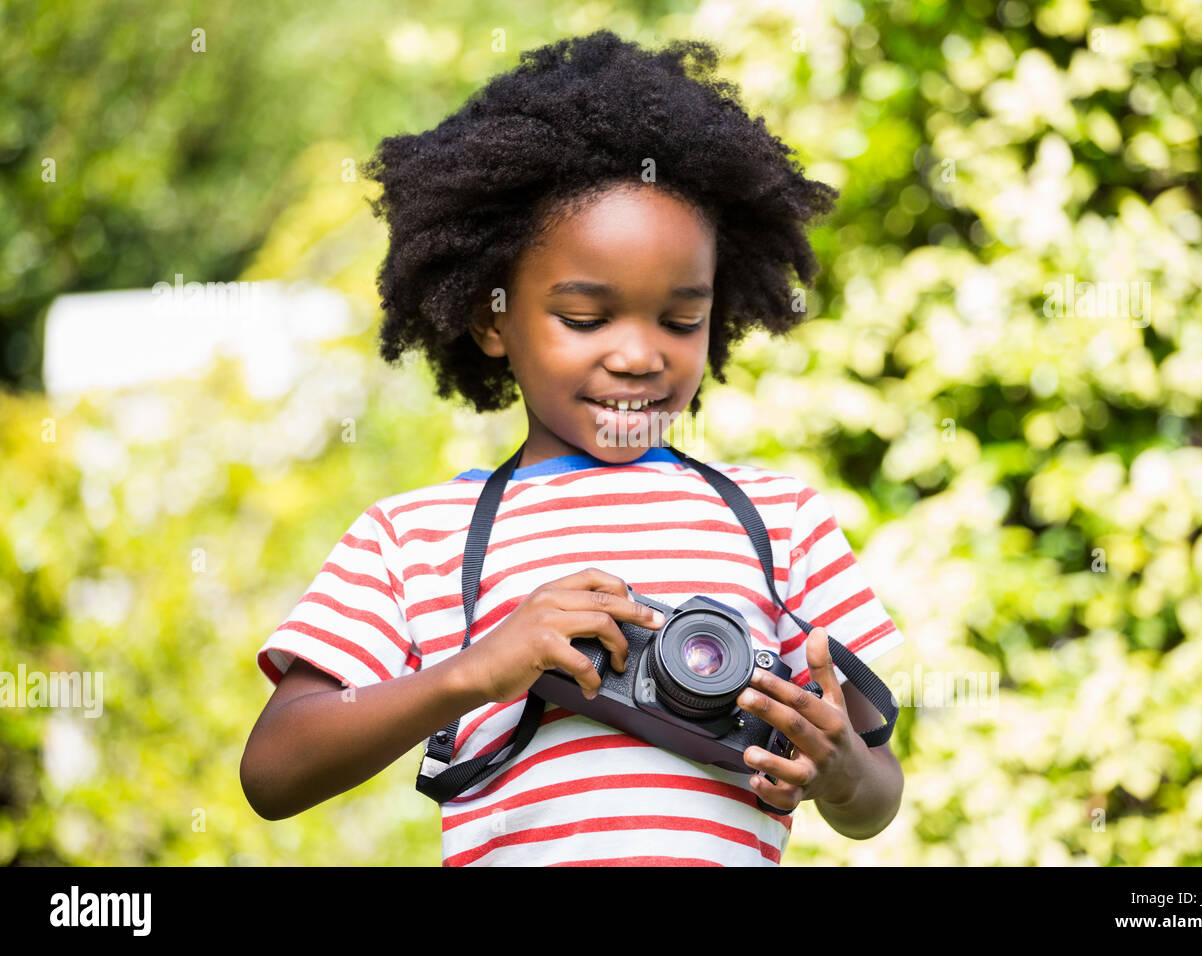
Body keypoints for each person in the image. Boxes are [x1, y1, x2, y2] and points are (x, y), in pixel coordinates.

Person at [240, 29, 906, 866]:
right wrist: (480, 672)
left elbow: (876, 796)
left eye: (681, 318)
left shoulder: (782, 520)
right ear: (491, 318)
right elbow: (273, 771)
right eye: (586, 319)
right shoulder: (414, 538)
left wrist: (836, 768)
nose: (638, 354)